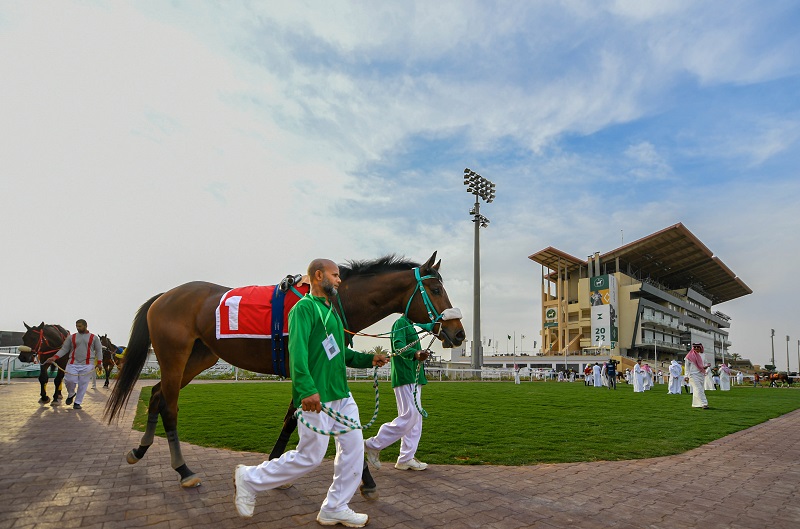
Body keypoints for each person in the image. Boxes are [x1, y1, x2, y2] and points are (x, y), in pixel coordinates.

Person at [232, 258, 388, 526]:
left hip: (342, 395)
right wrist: (306, 390)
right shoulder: (303, 309)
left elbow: (340, 353)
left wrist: (368, 359)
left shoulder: (332, 312)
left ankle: (335, 507)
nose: (339, 280)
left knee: (353, 450)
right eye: (335, 275)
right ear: (318, 275)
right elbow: (297, 353)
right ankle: (249, 478)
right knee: (310, 457)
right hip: (317, 397)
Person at [364, 314, 430, 473]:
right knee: (410, 415)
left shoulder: (410, 325)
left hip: (413, 377)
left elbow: (427, 325)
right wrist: (415, 354)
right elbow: (398, 345)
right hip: (405, 376)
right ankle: (372, 445)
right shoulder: (400, 323)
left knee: (415, 419)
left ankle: (406, 458)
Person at [44, 319, 103, 409]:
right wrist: (54, 357)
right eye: (77, 326)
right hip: (72, 363)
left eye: (80, 326)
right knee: (69, 380)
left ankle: (77, 402)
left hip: (88, 364)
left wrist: (99, 363)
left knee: (83, 384)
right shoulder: (71, 337)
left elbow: (99, 350)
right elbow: (64, 349)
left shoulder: (94, 338)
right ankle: (71, 393)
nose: (78, 328)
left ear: (85, 326)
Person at [685, 343, 709, 409]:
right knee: (699, 388)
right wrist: (686, 376)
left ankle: (697, 404)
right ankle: (704, 403)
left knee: (698, 389)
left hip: (701, 374)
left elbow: (705, 363)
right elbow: (687, 367)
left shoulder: (703, 355)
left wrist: (706, 367)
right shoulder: (689, 356)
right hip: (693, 375)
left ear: (700, 348)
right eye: (695, 347)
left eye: (698, 347)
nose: (696, 348)